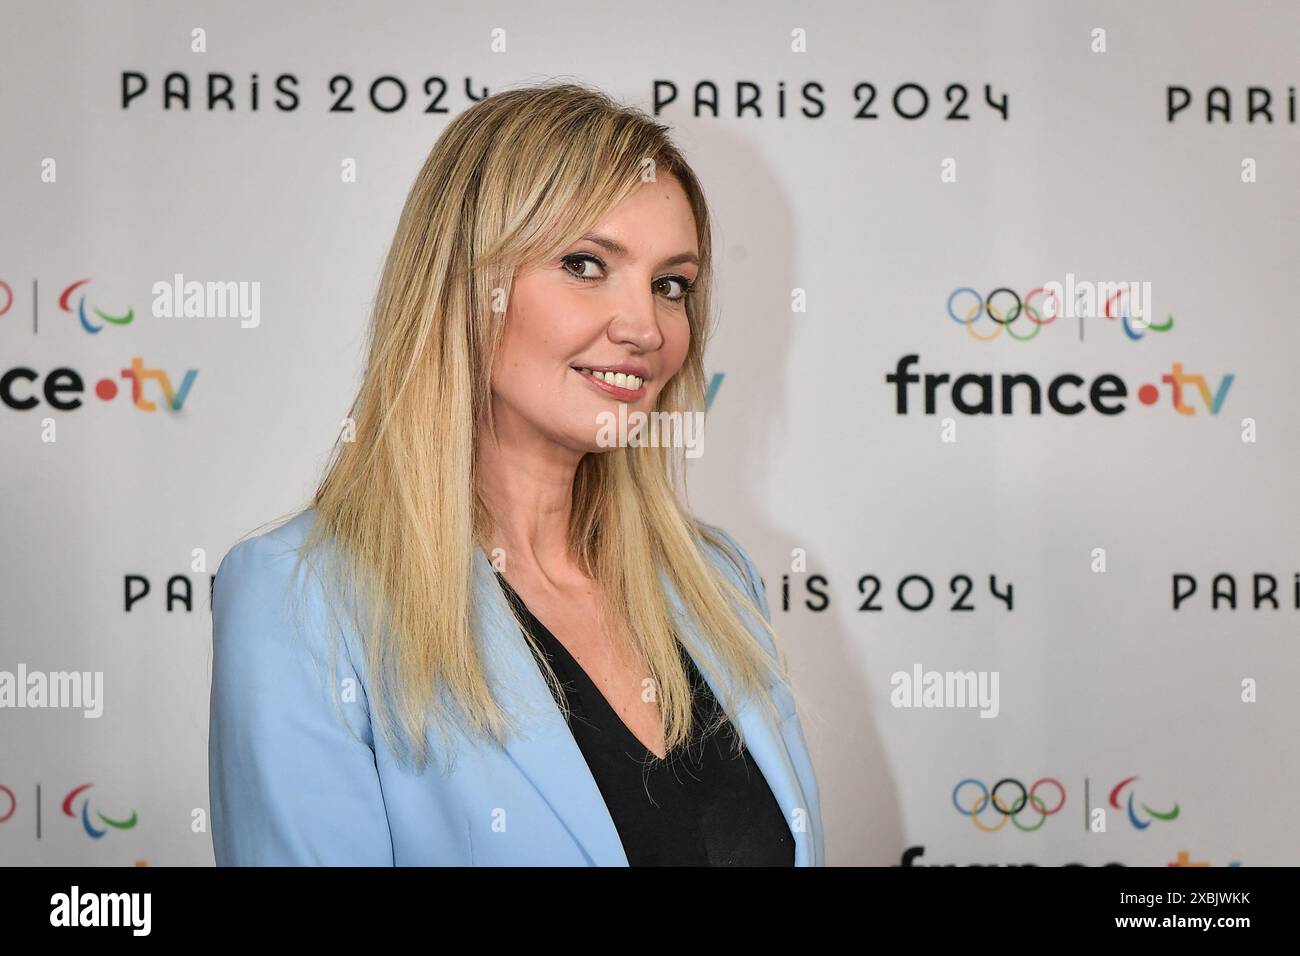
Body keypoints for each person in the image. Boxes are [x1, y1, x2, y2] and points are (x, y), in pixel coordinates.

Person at [208, 81, 824, 866]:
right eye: (585, 263)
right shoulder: (302, 601)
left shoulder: (716, 580)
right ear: (465, 286)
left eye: (672, 284)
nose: (646, 327)